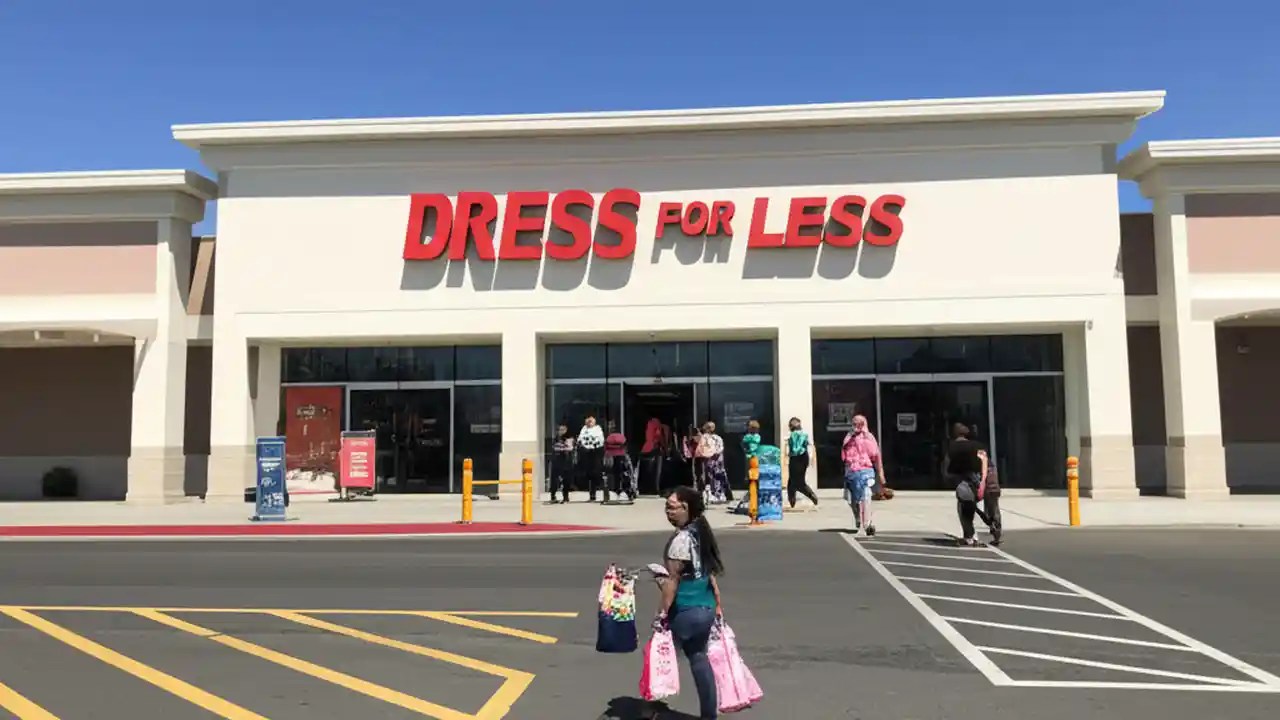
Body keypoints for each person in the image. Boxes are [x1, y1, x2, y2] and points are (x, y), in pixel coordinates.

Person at [654, 486, 724, 720]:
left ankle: (652, 708)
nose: (668, 512)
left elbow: (673, 582)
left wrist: (661, 614)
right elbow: (710, 573)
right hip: (705, 608)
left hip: (685, 610)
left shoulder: (681, 541)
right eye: (667, 507)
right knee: (698, 658)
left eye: (672, 508)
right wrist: (718, 603)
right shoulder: (700, 532)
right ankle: (708, 715)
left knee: (658, 660)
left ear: (685, 508)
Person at [841, 415, 884, 536]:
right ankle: (858, 519)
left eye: (860, 423)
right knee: (852, 500)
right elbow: (844, 455)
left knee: (866, 496)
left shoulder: (869, 437)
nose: (857, 426)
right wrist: (852, 437)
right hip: (851, 472)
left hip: (866, 471)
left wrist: (881, 473)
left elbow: (876, 455)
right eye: (854, 423)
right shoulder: (849, 437)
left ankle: (867, 523)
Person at [946, 422, 987, 546]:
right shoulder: (976, 445)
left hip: (961, 480)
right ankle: (974, 535)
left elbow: (947, 464)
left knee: (963, 508)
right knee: (974, 507)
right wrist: (983, 481)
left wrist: (947, 476)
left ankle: (969, 535)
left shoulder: (951, 447)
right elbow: (984, 461)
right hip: (975, 479)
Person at [785, 416, 820, 508]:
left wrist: (785, 458)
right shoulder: (804, 434)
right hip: (803, 458)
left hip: (794, 458)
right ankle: (792, 500)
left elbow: (788, 449)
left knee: (797, 481)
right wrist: (812, 459)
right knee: (793, 481)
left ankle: (810, 495)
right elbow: (811, 446)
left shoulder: (790, 435)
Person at [604, 420, 634, 502]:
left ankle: (618, 491)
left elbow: (606, 447)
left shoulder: (609, 437)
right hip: (621, 456)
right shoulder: (620, 437)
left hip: (613, 457)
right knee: (623, 475)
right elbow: (624, 446)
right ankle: (627, 491)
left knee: (616, 475)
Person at [577, 415, 605, 502]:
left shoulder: (598, 429)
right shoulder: (584, 429)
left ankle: (603, 492)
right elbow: (580, 440)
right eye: (588, 420)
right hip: (586, 454)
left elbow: (601, 441)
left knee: (596, 473)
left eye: (591, 420)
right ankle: (592, 494)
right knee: (589, 474)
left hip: (596, 453)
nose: (589, 421)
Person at [548, 424, 575, 503]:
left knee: (566, 480)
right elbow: (554, 448)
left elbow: (570, 448)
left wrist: (563, 447)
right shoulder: (555, 439)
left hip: (566, 461)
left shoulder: (569, 438)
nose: (561, 432)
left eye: (563, 430)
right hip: (556, 461)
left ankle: (565, 497)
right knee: (554, 480)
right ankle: (553, 496)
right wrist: (561, 447)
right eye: (560, 430)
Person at [741, 419, 762, 487]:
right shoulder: (756, 436)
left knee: (751, 471)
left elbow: (743, 443)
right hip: (753, 456)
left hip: (751, 456)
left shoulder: (748, 437)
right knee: (752, 471)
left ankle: (752, 485)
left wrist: (745, 449)